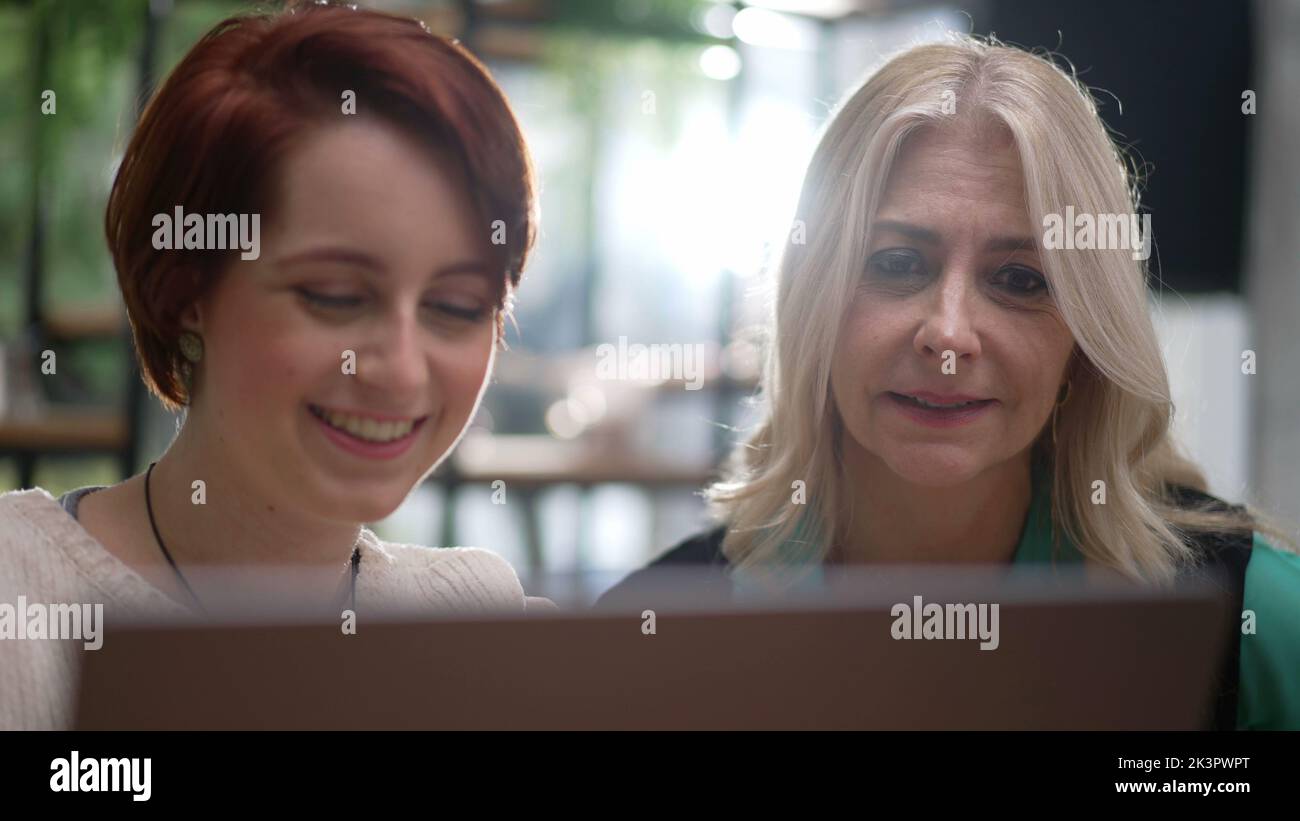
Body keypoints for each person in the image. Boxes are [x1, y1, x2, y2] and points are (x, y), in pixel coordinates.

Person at [599, 35, 1300, 730]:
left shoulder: (1254, 616)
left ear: (1084, 341)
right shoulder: (648, 634)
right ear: (813, 301)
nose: (949, 333)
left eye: (1020, 279)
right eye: (899, 262)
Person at [0, 0, 549, 730]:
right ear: (184, 287)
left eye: (455, 306)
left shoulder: (469, 613)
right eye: (335, 295)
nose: (401, 370)